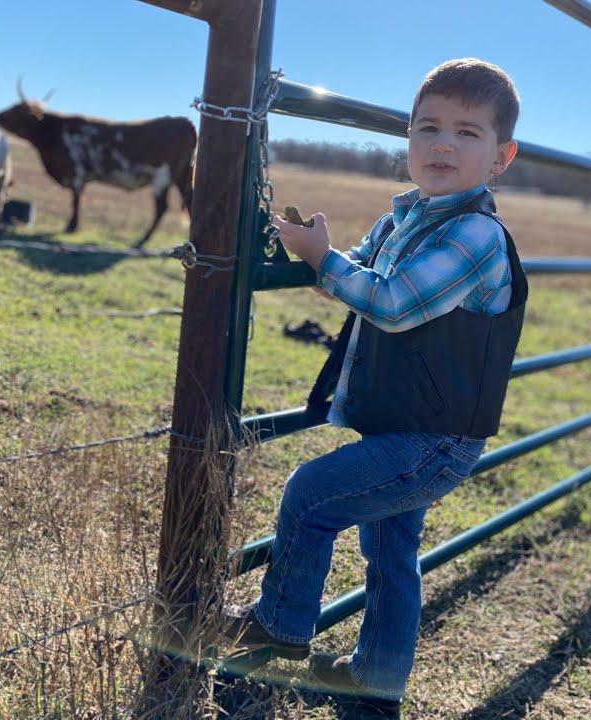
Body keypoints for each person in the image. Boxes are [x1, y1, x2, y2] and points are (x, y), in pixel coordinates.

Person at [219, 58, 529, 712]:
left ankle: (280, 632)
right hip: (407, 425)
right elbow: (362, 264)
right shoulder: (402, 220)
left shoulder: (476, 235)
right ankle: (373, 688)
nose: (443, 144)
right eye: (428, 128)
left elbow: (389, 303)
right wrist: (316, 246)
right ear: (408, 140)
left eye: (468, 134)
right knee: (390, 553)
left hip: (433, 440)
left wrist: (324, 263)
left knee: (311, 496)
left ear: (501, 157)